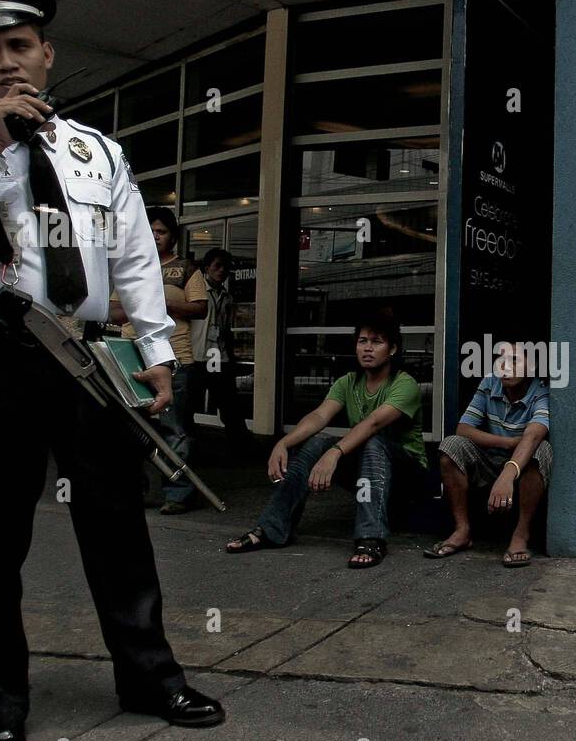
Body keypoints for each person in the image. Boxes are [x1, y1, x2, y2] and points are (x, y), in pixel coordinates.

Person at [0, 0, 224, 741]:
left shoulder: (96, 152)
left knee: (117, 527)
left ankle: (152, 678)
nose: (4, 61)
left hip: (81, 357)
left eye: (18, 44)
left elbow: (135, 255)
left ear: (48, 54)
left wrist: (155, 352)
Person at [226, 308, 429, 568]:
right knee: (318, 440)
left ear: (392, 350)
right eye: (362, 341)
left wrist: (335, 453)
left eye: (377, 342)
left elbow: (373, 423)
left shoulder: (404, 384)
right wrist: (283, 443)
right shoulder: (348, 382)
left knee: (373, 441)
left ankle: (371, 537)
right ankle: (272, 528)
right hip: (367, 471)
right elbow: (319, 416)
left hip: (408, 477)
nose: (367, 348)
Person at [109, 206, 208, 514]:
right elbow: (113, 312)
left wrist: (162, 304)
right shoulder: (130, 268)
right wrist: (143, 306)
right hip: (131, 356)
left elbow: (201, 308)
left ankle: (179, 494)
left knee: (173, 428)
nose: (155, 237)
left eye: (162, 231)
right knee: (130, 428)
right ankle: (132, 489)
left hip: (174, 356)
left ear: (173, 237)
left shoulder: (187, 269)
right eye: (150, 231)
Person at [426, 342, 551, 566]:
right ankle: (462, 530)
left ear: (531, 366)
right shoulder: (490, 382)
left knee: (541, 449)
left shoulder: (540, 392)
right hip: (490, 461)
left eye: (515, 360)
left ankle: (521, 534)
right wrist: (507, 443)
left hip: (520, 470)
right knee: (451, 445)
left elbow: (533, 435)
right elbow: (463, 428)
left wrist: (508, 473)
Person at [189, 247, 248, 442]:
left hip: (217, 357)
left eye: (226, 267)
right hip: (196, 356)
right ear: (207, 268)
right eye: (217, 266)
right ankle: (188, 444)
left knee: (228, 401)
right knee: (190, 403)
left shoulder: (226, 297)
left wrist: (231, 356)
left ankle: (239, 444)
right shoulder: (196, 292)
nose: (222, 270)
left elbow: (226, 330)